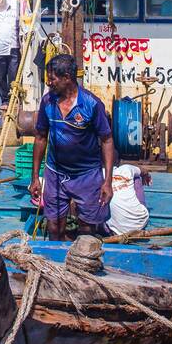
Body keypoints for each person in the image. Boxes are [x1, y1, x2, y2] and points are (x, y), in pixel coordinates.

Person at [29, 54, 115, 240]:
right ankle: (54, 264)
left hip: (87, 175)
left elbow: (107, 141)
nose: (49, 84)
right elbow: (41, 137)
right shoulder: (47, 102)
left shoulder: (92, 104)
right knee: (54, 226)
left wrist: (107, 181)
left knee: (87, 229)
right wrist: (35, 177)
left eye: (52, 79)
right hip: (55, 174)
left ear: (67, 78)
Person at [107, 164, 152, 236]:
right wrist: (145, 176)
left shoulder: (96, 174)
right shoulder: (126, 168)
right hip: (140, 221)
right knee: (136, 176)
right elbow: (144, 171)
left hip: (113, 229)